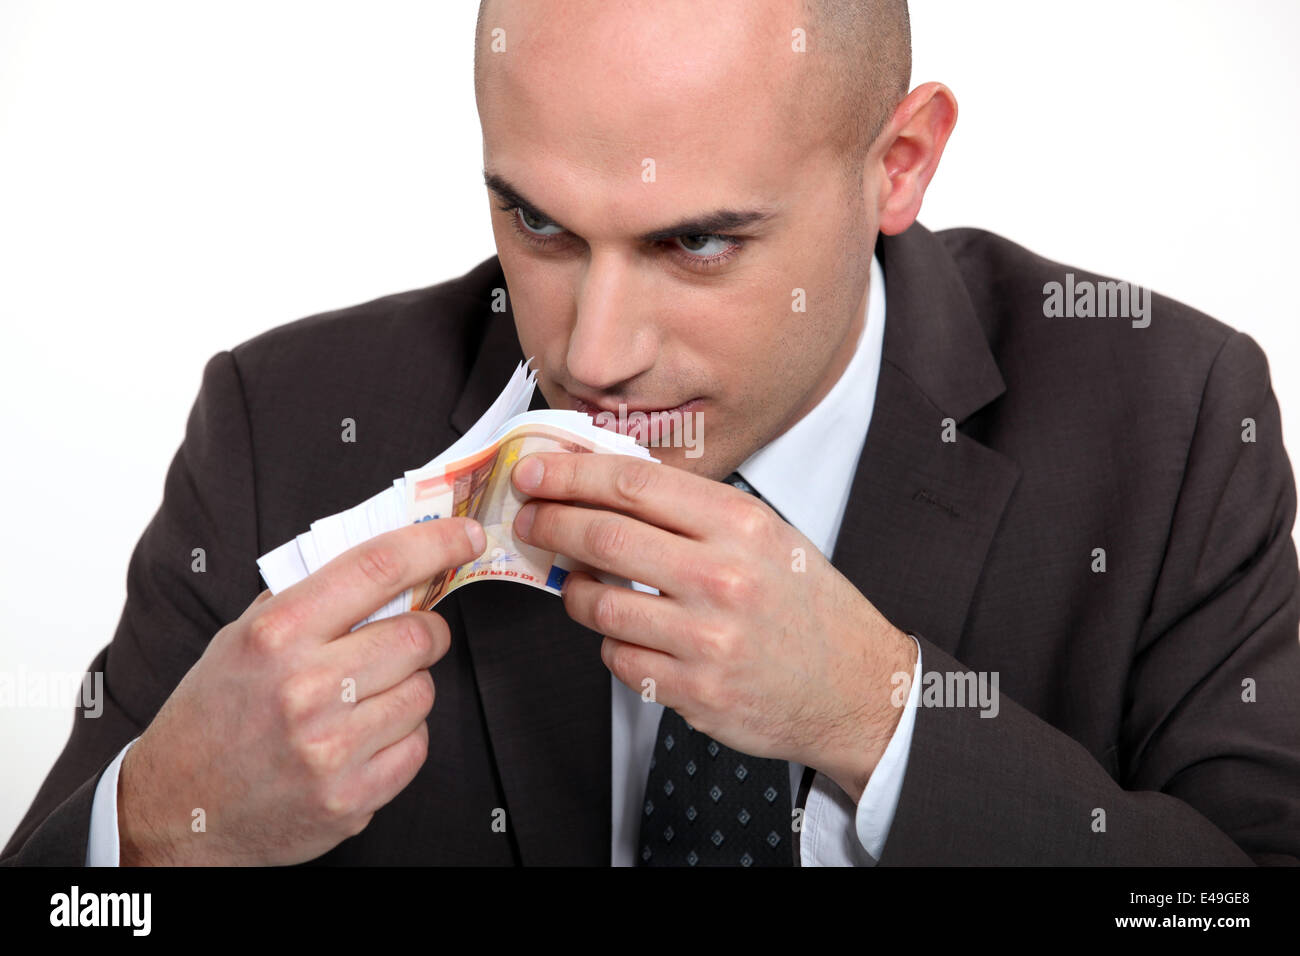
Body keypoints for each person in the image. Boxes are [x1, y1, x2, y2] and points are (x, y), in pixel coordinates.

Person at [4, 0, 1298, 867]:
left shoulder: (1172, 423)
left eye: (698, 243)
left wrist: (880, 712)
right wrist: (160, 821)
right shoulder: (282, 425)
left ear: (897, 165)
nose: (590, 350)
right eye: (540, 224)